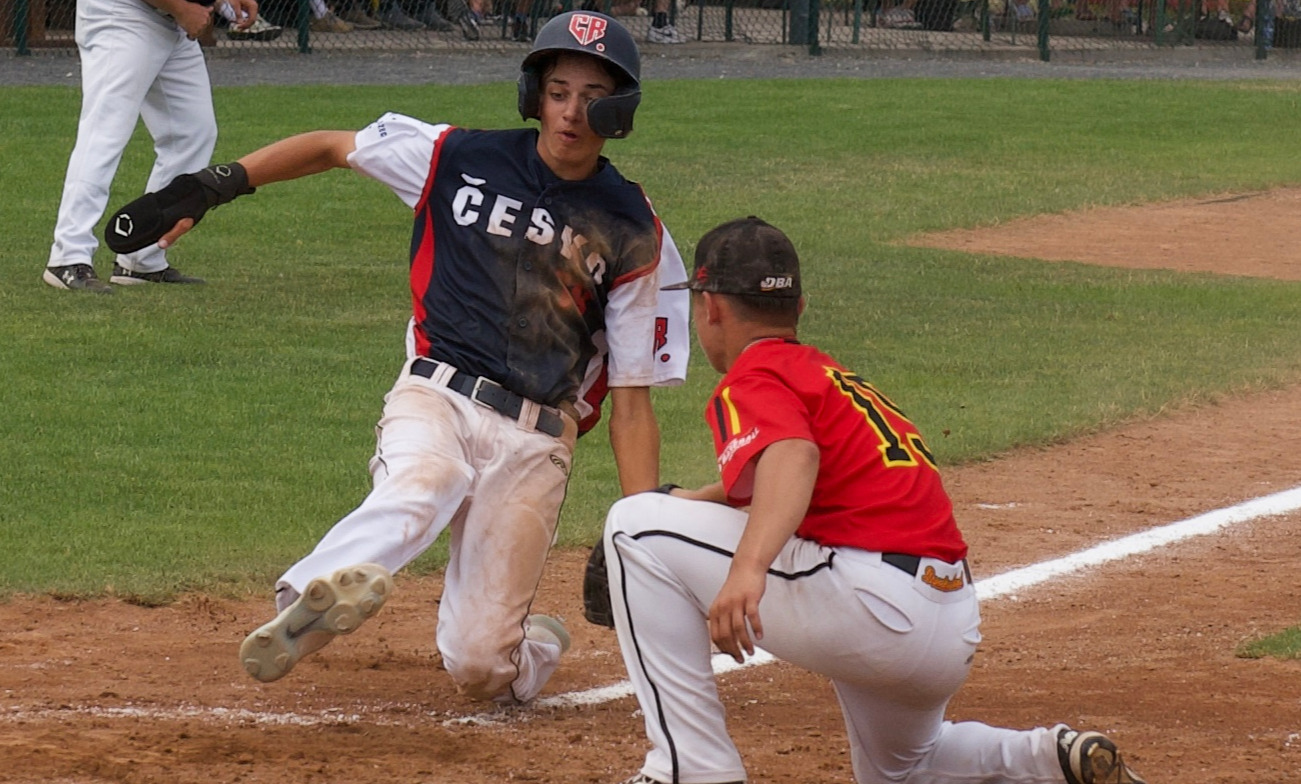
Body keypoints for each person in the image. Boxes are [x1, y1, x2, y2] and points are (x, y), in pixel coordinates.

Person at [109, 10, 689, 704]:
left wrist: (638, 525)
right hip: (435, 393)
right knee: (424, 481)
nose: (571, 111)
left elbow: (630, 401)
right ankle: (312, 595)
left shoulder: (633, 229)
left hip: (534, 439)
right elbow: (331, 146)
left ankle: (529, 650)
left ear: (619, 108)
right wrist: (215, 184)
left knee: (478, 667)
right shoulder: (457, 157)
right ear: (533, 94)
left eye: (592, 97)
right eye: (559, 90)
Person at [600, 216, 1148, 784]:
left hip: (874, 607)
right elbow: (787, 475)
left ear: (710, 307)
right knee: (904, 770)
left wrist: (747, 569)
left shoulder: (754, 376)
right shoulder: (832, 378)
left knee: (634, 527)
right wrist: (690, 500)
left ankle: (688, 769)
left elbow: (792, 457)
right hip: (948, 623)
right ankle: (1047, 760)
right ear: (799, 307)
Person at [42, 0, 258, 293]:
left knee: (193, 132)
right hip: (122, 14)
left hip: (169, 20)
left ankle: (142, 255)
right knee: (105, 131)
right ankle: (68, 255)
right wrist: (182, 8)